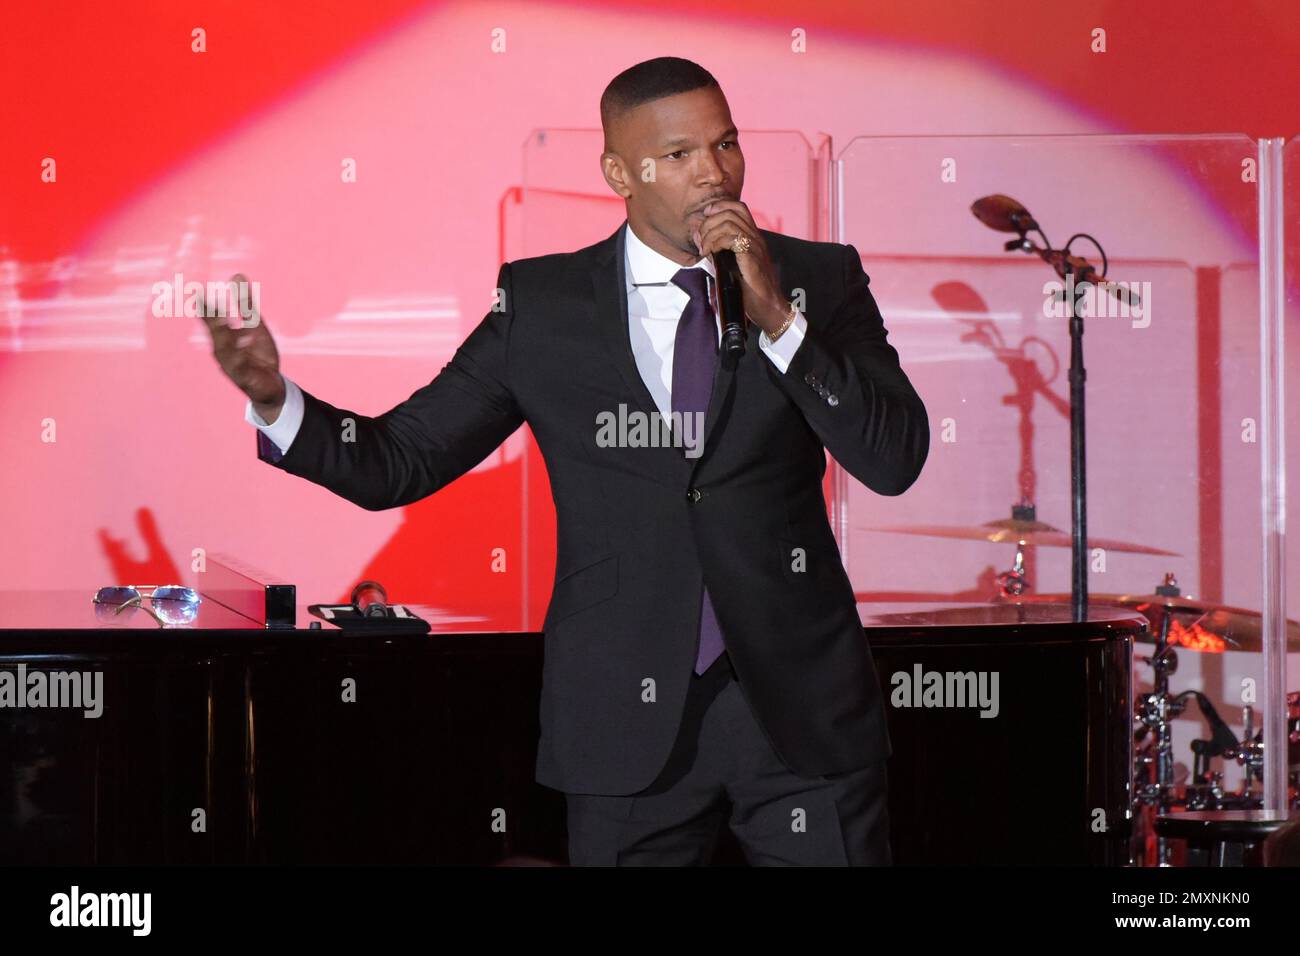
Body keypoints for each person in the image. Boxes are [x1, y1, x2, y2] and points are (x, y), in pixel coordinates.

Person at [198, 56, 929, 865]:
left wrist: (776, 319)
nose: (715, 175)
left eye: (726, 146)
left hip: (804, 716)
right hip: (623, 723)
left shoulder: (817, 280)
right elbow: (397, 462)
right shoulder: (541, 309)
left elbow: (894, 456)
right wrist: (275, 397)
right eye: (680, 155)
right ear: (620, 170)